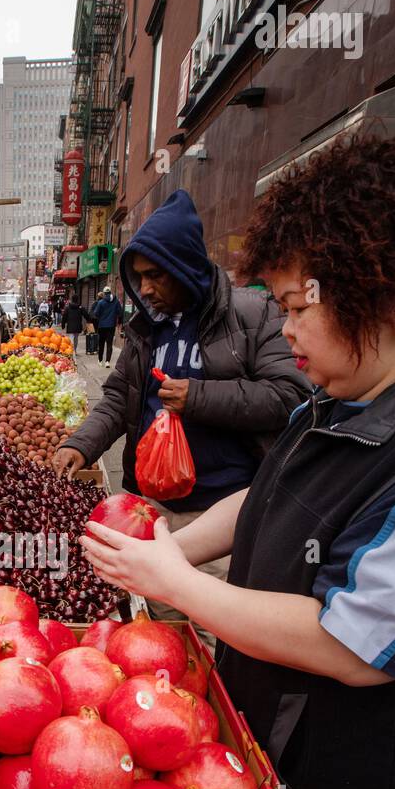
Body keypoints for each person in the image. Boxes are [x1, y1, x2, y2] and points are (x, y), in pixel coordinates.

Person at [81, 132, 395, 789]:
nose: (282, 329)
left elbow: (353, 644)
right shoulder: (350, 388)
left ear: (379, 291)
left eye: (293, 306)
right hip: (274, 734)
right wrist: (172, 546)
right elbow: (270, 492)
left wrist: (183, 589)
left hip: (354, 783)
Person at [55, 190, 308, 619]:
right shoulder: (146, 328)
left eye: (156, 275)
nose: (146, 289)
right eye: (139, 277)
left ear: (185, 267)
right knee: (163, 625)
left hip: (221, 514)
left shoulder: (253, 314)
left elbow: (290, 396)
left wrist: (199, 396)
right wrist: (81, 445)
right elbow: (118, 396)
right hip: (151, 513)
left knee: (214, 632)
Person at [88, 285, 124, 363]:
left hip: (102, 326)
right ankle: (108, 361)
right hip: (111, 326)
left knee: (101, 343)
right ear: (110, 292)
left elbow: (96, 313)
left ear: (104, 293)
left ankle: (100, 360)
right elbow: (120, 313)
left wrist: (101, 317)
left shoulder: (101, 302)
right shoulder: (116, 301)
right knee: (109, 344)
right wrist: (119, 322)